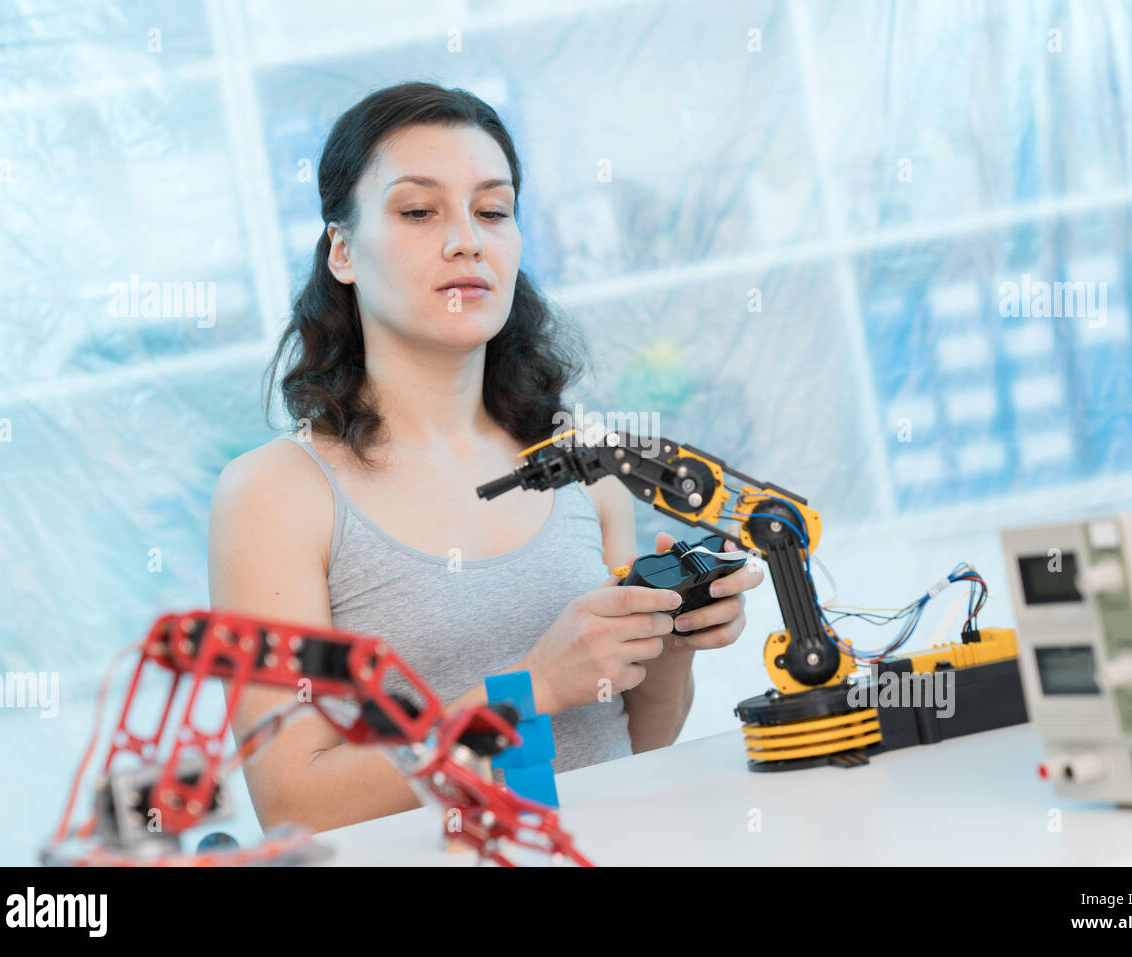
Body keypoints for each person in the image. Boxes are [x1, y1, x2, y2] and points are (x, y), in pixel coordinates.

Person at [208, 81, 764, 834]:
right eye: (417, 211)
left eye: (493, 211)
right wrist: (530, 687)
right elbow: (295, 800)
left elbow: (636, 740)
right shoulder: (276, 494)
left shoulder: (582, 460)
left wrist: (668, 638)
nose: (467, 238)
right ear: (342, 250)